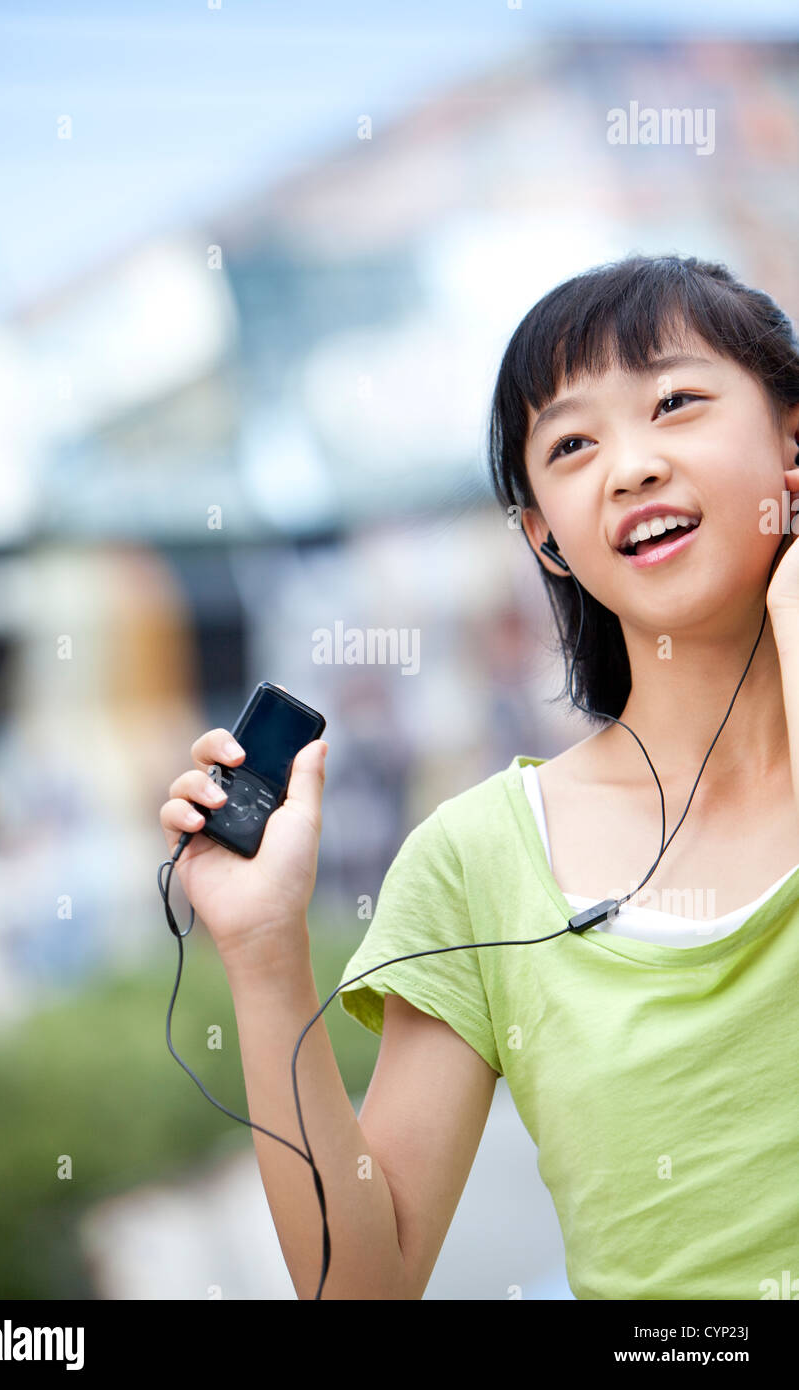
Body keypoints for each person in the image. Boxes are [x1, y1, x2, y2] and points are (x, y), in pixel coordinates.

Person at [159, 253, 799, 1301]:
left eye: (675, 402)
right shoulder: (481, 858)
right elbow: (360, 1285)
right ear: (544, 535)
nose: (629, 466)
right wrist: (264, 951)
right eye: (572, 443)